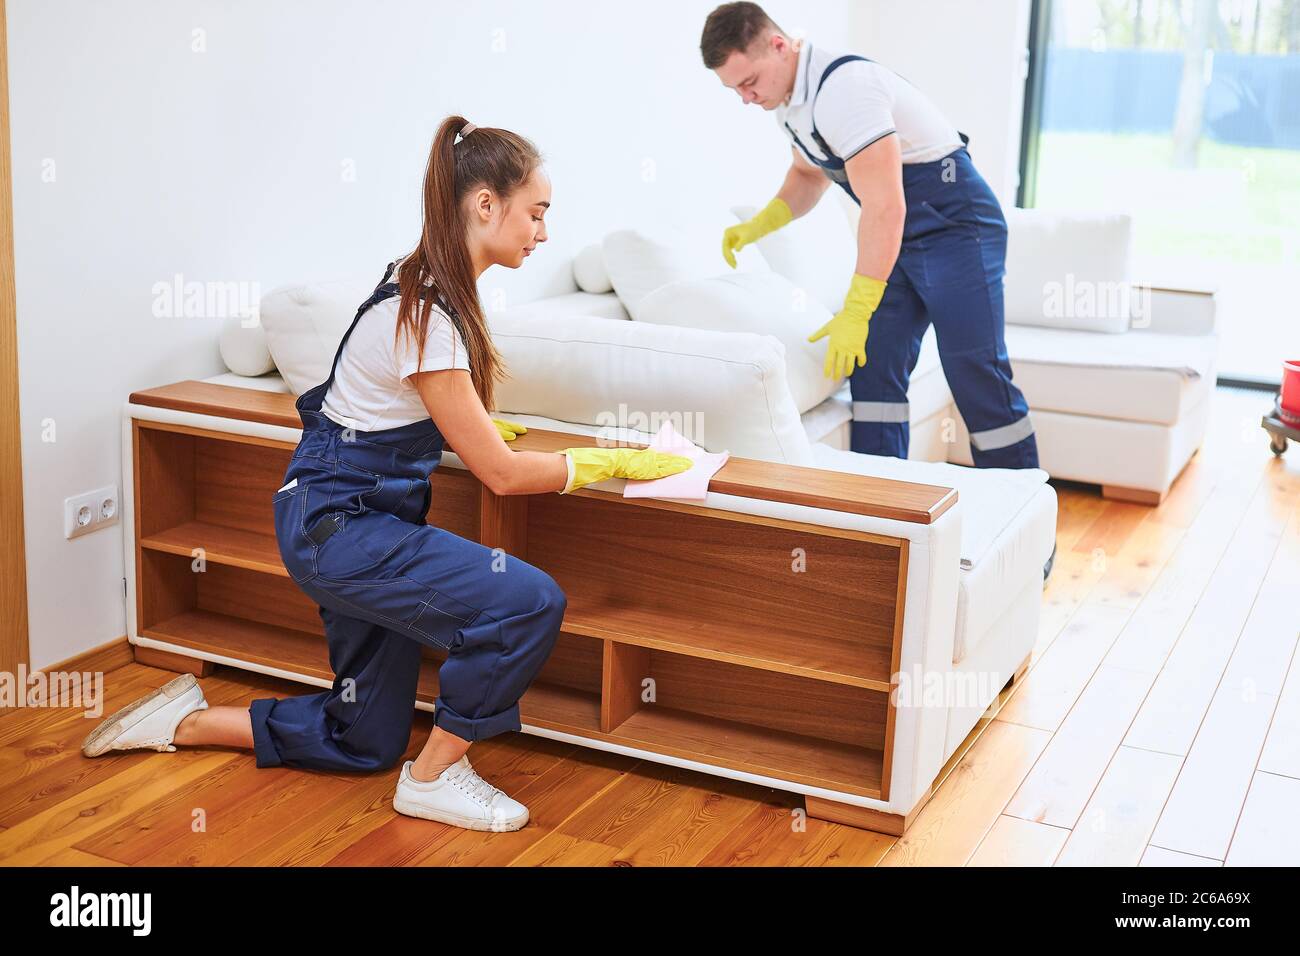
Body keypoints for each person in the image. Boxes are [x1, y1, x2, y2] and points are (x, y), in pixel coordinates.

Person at [81, 115, 692, 833]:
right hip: (341, 530)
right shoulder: (428, 311)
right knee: (526, 603)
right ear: (485, 205)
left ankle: (187, 722)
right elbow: (499, 475)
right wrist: (607, 459)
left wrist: (459, 416)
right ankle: (433, 777)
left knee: (362, 736)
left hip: (339, 521)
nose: (545, 233)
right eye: (538, 212)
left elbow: (382, 400)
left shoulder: (422, 280)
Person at [701, 2, 1040, 471]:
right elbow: (808, 176)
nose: (746, 98)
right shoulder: (790, 106)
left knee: (973, 368)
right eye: (735, 89)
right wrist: (759, 224)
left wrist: (857, 309)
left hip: (957, 228)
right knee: (873, 360)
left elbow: (885, 206)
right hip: (901, 235)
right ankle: (883, 505)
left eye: (749, 82)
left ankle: (1024, 513)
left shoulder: (844, 90)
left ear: (779, 46)